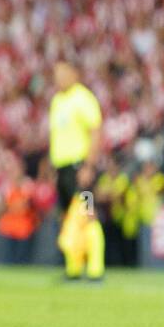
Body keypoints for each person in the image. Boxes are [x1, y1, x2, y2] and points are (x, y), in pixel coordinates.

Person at [48, 61, 106, 281]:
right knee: (67, 216)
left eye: (62, 73)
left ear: (74, 73)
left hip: (79, 167)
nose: (58, 78)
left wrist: (89, 166)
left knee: (88, 212)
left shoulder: (83, 98)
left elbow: (95, 132)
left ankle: (95, 268)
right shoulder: (57, 101)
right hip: (62, 169)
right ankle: (73, 268)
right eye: (56, 74)